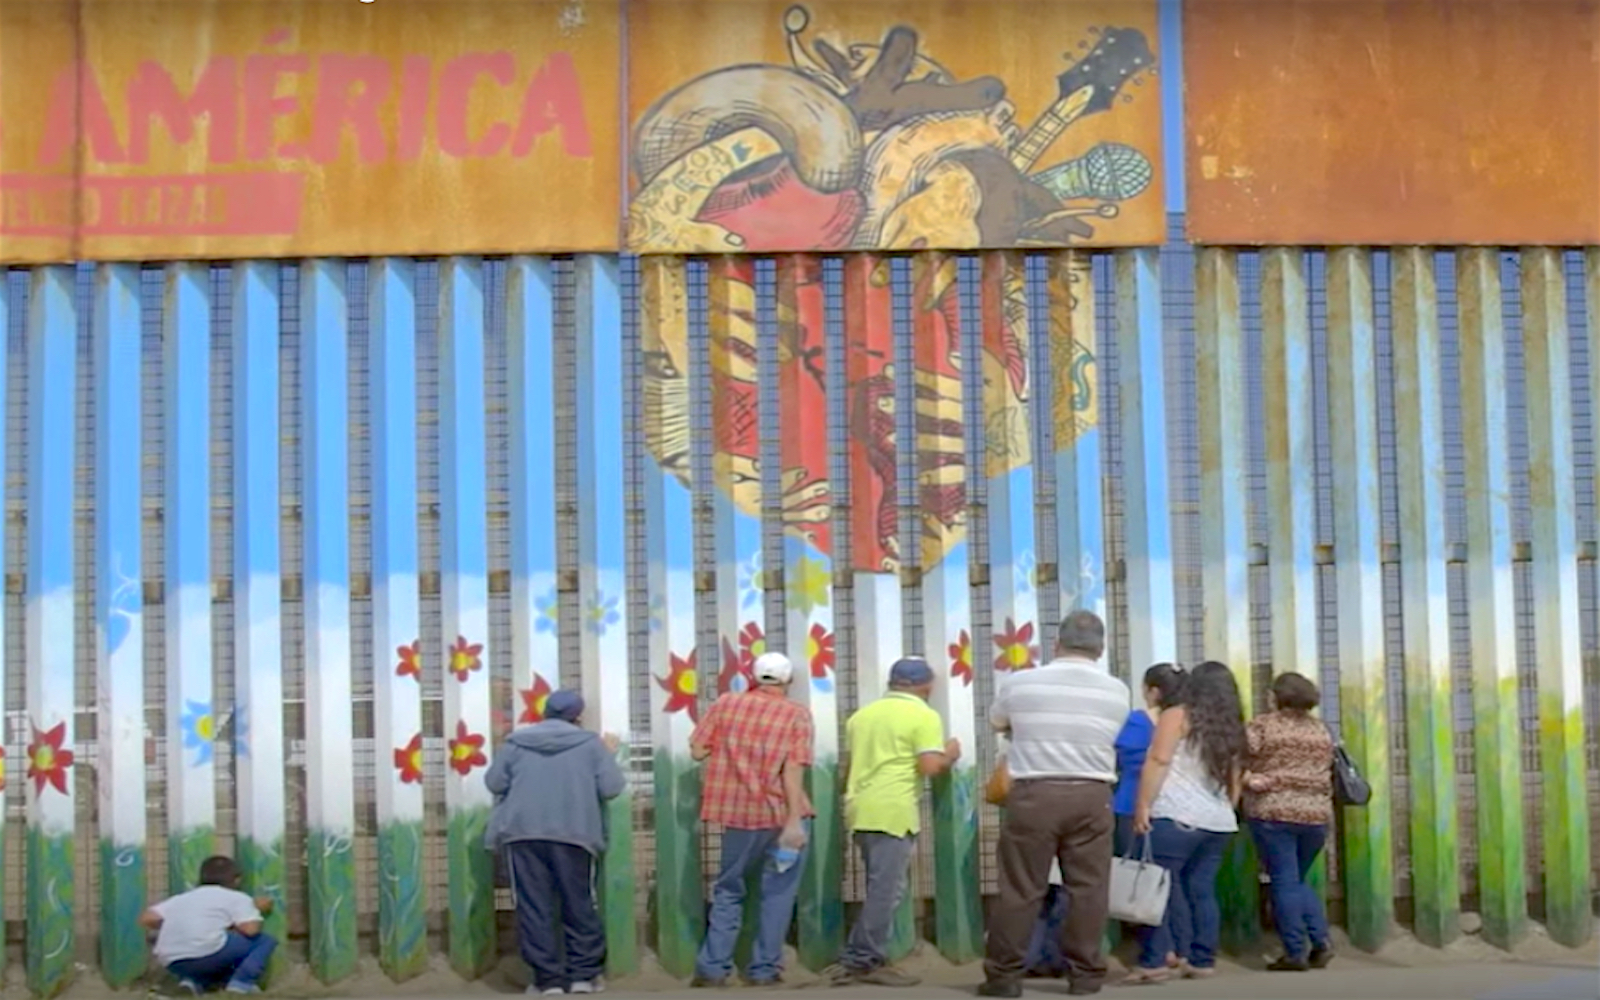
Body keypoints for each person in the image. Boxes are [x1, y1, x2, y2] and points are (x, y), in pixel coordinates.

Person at [980, 610, 1130, 999]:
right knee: (1088, 888)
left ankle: (1005, 977)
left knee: (1020, 888)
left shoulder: (1021, 683)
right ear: (1100, 649)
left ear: (1056, 644)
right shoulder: (1117, 690)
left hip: (1034, 794)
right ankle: (1084, 976)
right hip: (1092, 795)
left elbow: (998, 722)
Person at [484, 688, 626, 996]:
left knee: (534, 906)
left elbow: (494, 782)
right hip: (575, 835)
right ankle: (583, 977)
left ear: (544, 712)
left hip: (523, 835)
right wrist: (608, 754)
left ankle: (547, 980)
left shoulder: (516, 742)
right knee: (579, 903)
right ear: (578, 716)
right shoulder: (590, 745)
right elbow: (612, 787)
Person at [830, 657, 959, 988]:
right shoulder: (923, 715)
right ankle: (863, 960)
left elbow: (847, 768)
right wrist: (950, 753)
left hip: (861, 808)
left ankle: (864, 955)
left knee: (883, 886)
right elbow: (930, 766)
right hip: (893, 810)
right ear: (925, 685)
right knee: (886, 890)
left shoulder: (861, 717)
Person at [690, 652, 815, 988]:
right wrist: (793, 821)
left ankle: (713, 969)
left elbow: (697, 749)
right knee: (777, 893)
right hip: (780, 816)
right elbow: (793, 768)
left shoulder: (726, 704)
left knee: (729, 890)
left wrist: (729, 750)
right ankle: (763, 970)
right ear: (788, 681)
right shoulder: (796, 715)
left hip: (738, 815)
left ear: (755, 677)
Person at [1128, 660, 1247, 985]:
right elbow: (1236, 780)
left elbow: (1159, 759)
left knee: (1159, 888)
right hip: (1218, 821)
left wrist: (1142, 805)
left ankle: (1155, 960)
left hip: (1176, 816)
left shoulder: (1176, 715)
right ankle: (1201, 958)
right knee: (1201, 889)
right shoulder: (1232, 726)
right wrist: (1226, 811)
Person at [1244, 672, 1335, 971]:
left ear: (1276, 696)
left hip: (1274, 811)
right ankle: (1321, 943)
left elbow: (1238, 757)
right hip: (1315, 815)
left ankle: (1295, 952)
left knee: (1283, 880)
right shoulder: (1321, 730)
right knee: (1295, 879)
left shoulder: (1263, 726)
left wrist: (1250, 779)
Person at [138, 855, 277, 995]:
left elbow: (147, 918)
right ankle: (241, 985)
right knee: (264, 941)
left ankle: (191, 983)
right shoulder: (237, 897)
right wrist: (255, 909)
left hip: (171, 959)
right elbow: (251, 930)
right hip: (207, 952)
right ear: (237, 879)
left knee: (207, 955)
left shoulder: (183, 898)